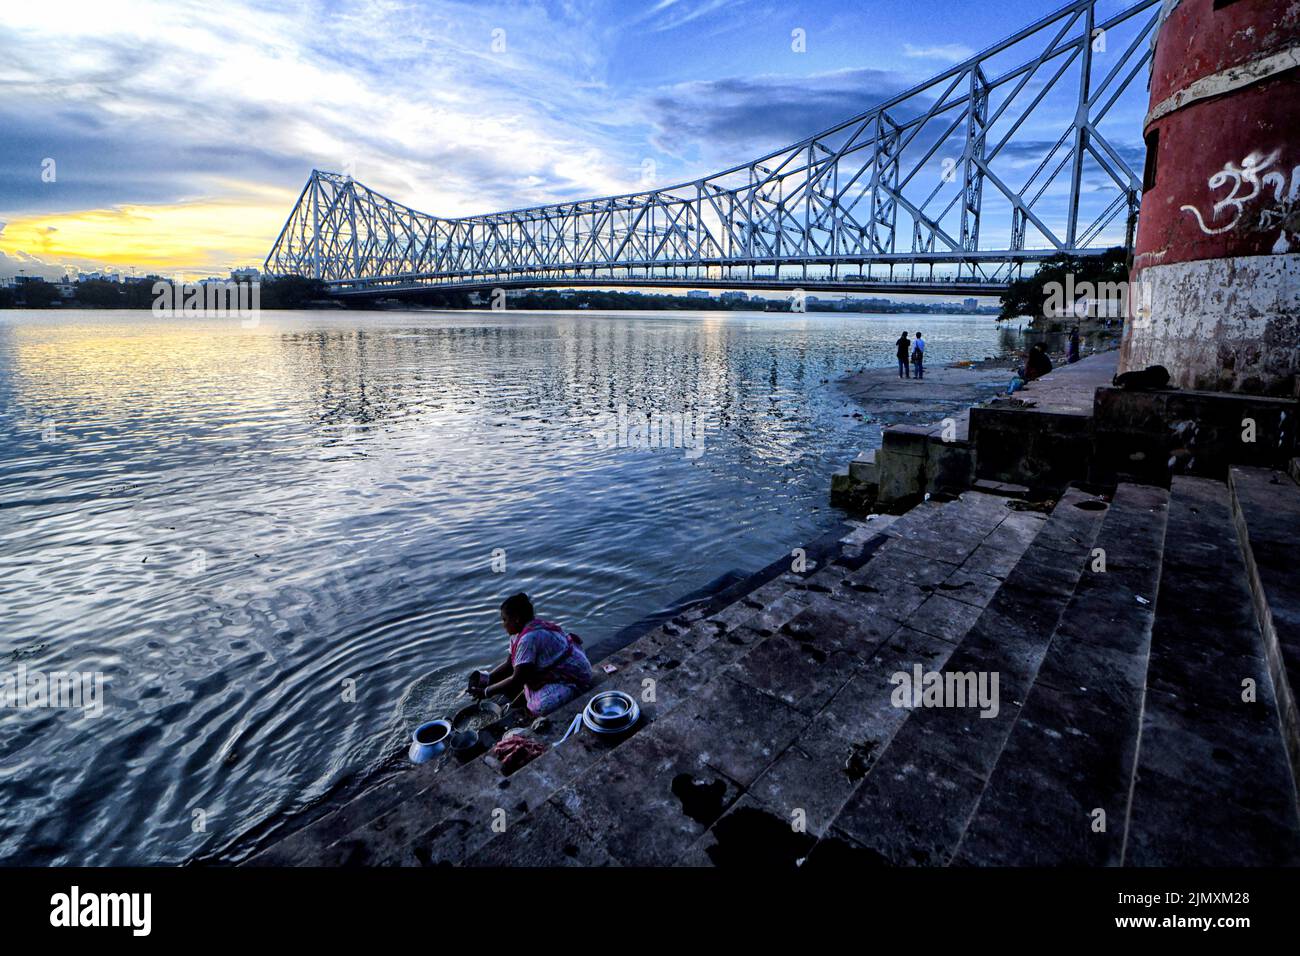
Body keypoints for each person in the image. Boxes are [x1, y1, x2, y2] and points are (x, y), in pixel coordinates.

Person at [468, 592, 593, 716]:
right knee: (518, 686)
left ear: (516, 619)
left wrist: (486, 692)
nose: (503, 624)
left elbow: (517, 679)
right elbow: (509, 664)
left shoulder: (529, 638)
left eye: (504, 619)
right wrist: (487, 679)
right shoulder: (519, 633)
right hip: (559, 668)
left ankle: (575, 689)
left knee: (538, 706)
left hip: (575, 674)